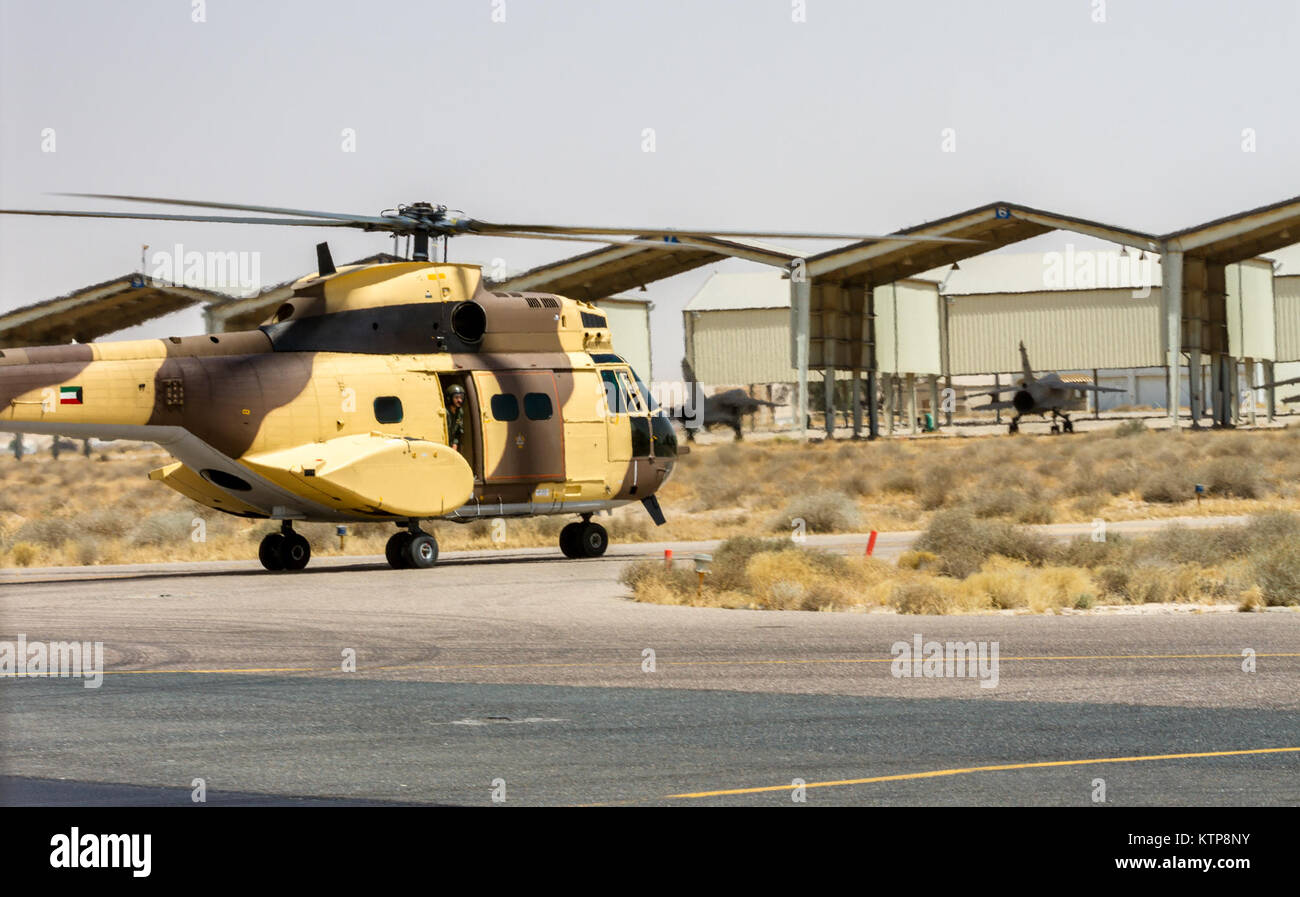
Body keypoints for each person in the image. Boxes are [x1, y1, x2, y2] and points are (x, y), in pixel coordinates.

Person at [445, 384, 466, 452]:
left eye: (461, 397)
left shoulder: (460, 412)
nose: (460, 400)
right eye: (456, 397)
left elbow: (458, 431)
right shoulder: (445, 412)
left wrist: (455, 443)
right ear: (449, 398)